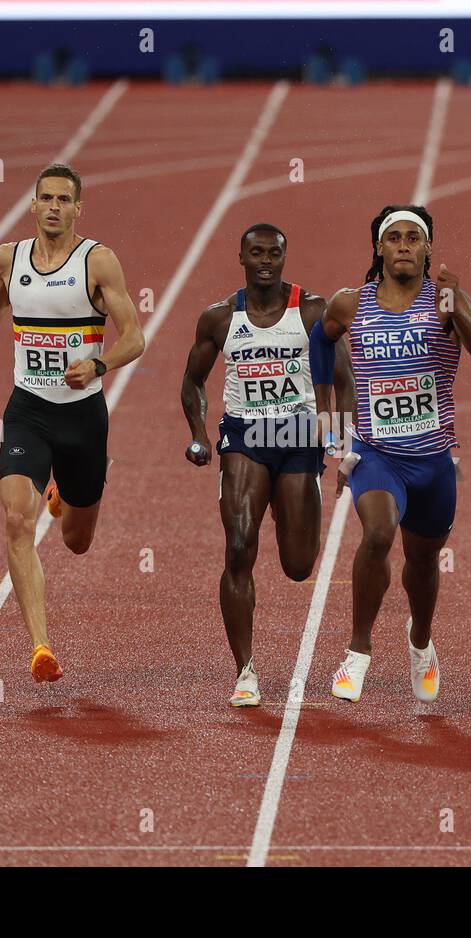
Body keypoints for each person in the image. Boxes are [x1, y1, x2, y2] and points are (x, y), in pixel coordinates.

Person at [0, 162, 144, 681]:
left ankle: (65, 495)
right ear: (32, 206)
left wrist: (98, 364)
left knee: (76, 540)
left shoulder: (98, 262)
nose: (53, 207)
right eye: (44, 198)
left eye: (63, 200)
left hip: (83, 420)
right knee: (14, 520)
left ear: (78, 208)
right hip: (27, 411)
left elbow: (134, 337)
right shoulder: (10, 259)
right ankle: (41, 647)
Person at [317, 205, 471, 703]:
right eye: (393, 237)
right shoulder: (350, 304)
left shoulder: (447, 303)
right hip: (377, 454)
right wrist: (333, 429)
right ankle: (357, 652)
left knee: (422, 563)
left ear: (427, 249)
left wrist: (457, 306)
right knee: (377, 533)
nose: (403, 245)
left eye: (413, 238)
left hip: (434, 462)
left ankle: (420, 640)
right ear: (378, 247)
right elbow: (321, 341)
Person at [180, 224, 349, 707]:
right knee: (238, 545)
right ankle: (245, 671)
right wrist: (197, 434)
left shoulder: (312, 312)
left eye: (274, 253)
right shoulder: (218, 319)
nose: (266, 261)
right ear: (241, 257)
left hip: (298, 438)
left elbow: (344, 376)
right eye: (256, 253)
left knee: (298, 567)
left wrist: (344, 443)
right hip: (245, 438)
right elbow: (192, 381)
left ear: (284, 256)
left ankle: (285, 502)